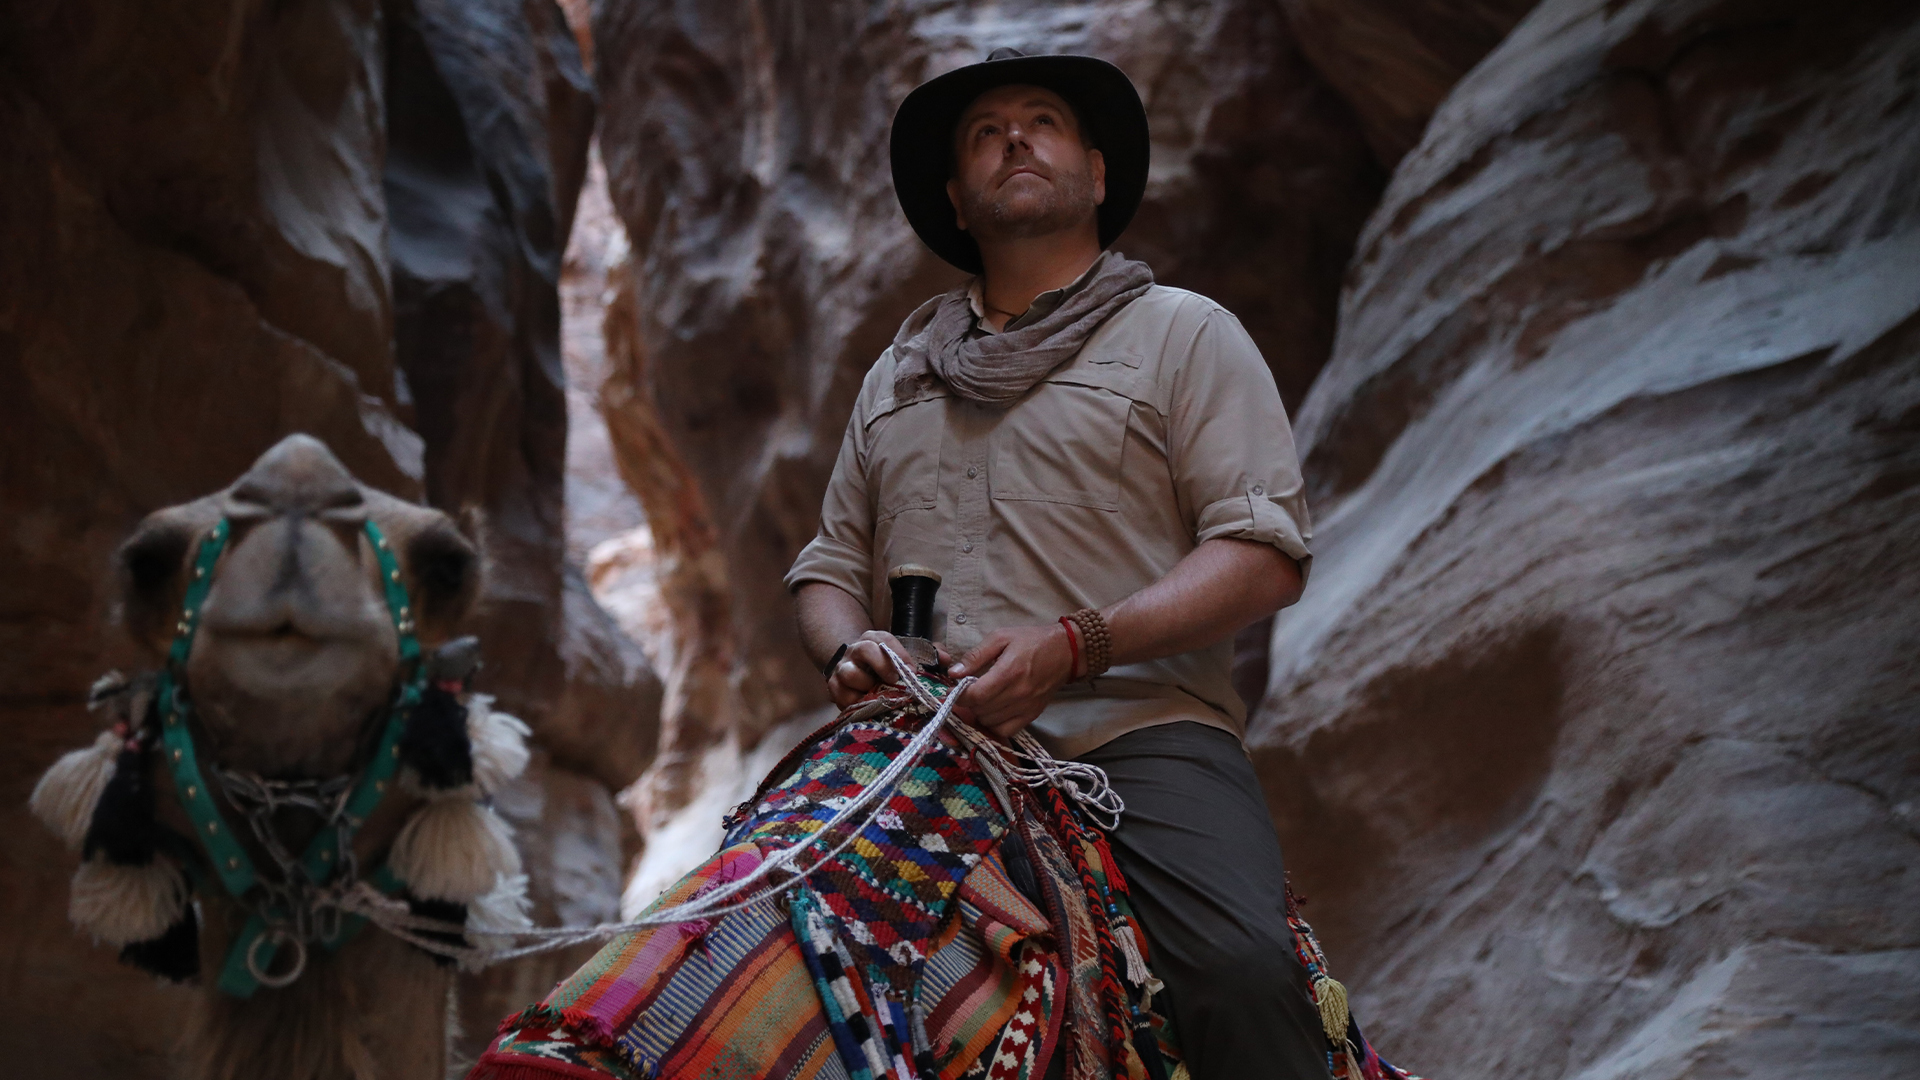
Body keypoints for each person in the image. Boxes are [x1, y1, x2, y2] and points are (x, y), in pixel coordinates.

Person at [785, 48, 1332, 1079]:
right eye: (984, 134)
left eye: (1041, 121)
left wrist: (1077, 645)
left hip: (1133, 734)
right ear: (957, 198)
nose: (1014, 140)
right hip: (915, 743)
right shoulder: (896, 376)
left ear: (1097, 171)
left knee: (1242, 969)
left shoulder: (1184, 334)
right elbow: (829, 569)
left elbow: (1261, 554)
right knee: (752, 922)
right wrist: (848, 651)